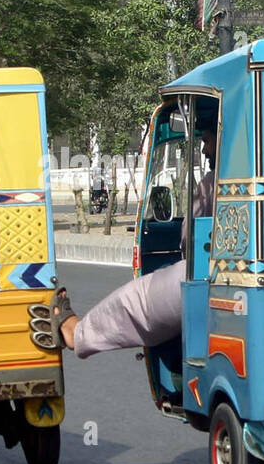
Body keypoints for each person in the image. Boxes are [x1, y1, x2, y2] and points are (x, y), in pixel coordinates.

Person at [51, 124, 215, 358]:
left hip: (215, 276)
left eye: (208, 141)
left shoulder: (212, 184)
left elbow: (190, 239)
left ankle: (77, 334)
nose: (205, 150)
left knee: (138, 300)